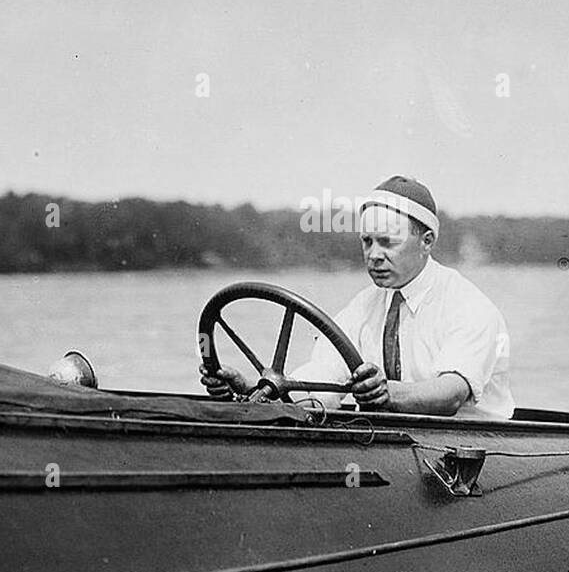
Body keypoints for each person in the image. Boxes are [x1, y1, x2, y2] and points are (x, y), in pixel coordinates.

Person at [200, 175, 514, 419]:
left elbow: (451, 394)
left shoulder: (469, 306)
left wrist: (387, 393)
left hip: (474, 449)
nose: (374, 255)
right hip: (399, 444)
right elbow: (321, 383)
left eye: (388, 242)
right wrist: (257, 393)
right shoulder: (364, 306)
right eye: (367, 241)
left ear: (426, 241)